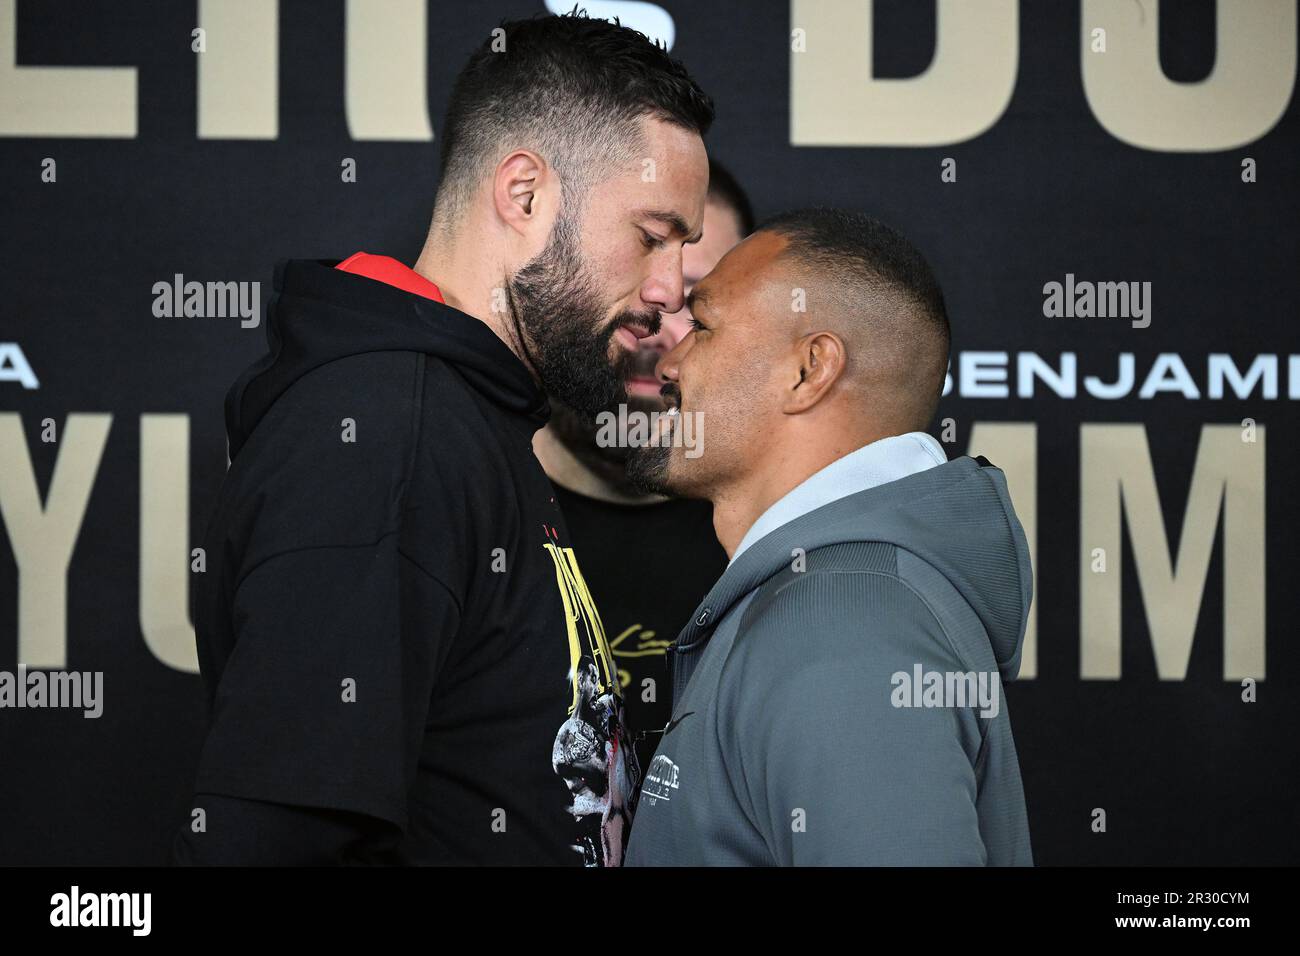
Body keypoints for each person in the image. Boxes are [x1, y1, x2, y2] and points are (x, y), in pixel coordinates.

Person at [172, 11, 712, 866]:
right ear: (524, 193)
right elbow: (275, 843)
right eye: (652, 237)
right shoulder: (391, 432)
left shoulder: (469, 412)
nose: (669, 293)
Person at [622, 208, 1034, 866]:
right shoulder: (843, 599)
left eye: (702, 326)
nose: (669, 361)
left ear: (810, 370)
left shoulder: (841, 624)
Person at [532, 160, 752, 773]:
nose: (657, 325)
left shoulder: (780, 546)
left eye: (696, 301)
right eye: (632, 280)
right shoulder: (468, 508)